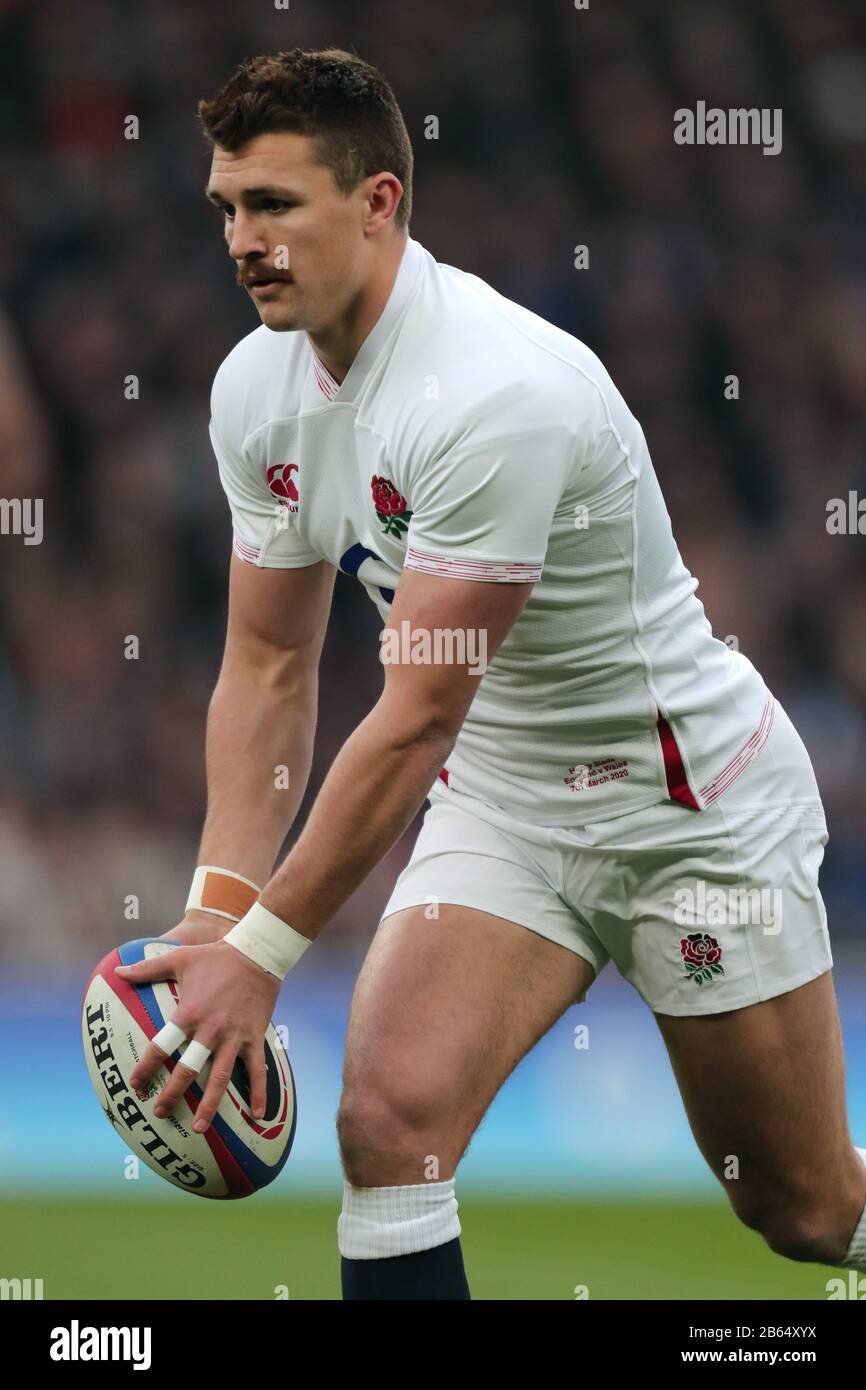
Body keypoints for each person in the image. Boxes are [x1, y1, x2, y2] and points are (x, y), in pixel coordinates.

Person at [116, 47, 866, 1300]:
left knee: (801, 1207)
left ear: (378, 202)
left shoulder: (494, 392)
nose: (242, 240)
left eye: (274, 204)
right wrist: (215, 909)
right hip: (505, 801)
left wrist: (263, 952)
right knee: (388, 1122)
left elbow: (413, 720)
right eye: (227, 208)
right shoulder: (254, 389)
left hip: (683, 808)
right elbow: (267, 662)